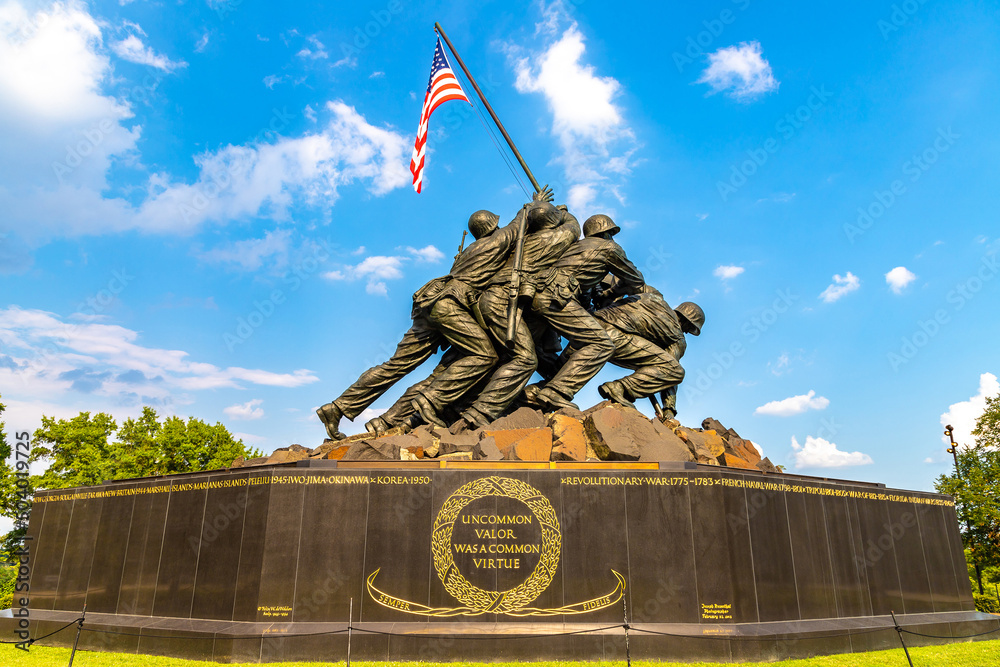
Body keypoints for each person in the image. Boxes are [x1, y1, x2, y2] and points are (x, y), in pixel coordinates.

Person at [316, 191, 552, 439]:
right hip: (449, 306)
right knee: (485, 355)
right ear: (493, 225)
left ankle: (339, 407)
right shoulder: (496, 241)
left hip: (428, 302)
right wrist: (536, 202)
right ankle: (431, 402)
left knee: (396, 365)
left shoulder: (470, 250)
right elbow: (520, 223)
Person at [455, 203, 581, 429]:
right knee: (525, 359)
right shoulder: (552, 239)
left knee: (511, 356)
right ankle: (479, 412)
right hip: (502, 300)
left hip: (493, 299)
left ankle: (470, 404)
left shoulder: (515, 244)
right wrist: (563, 212)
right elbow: (573, 228)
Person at [526, 214, 644, 411]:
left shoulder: (575, 247)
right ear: (606, 233)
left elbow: (584, 295)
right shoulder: (609, 248)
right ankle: (556, 391)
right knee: (602, 344)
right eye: (611, 234)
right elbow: (636, 280)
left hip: (534, 294)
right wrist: (610, 293)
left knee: (527, 353)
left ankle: (523, 396)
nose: (612, 238)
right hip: (556, 296)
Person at [589, 285, 705, 419]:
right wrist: (669, 409)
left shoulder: (654, 296)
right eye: (689, 328)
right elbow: (670, 373)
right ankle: (620, 388)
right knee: (676, 371)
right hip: (614, 339)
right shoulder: (678, 337)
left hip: (591, 323)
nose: (686, 332)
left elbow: (628, 281)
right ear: (687, 322)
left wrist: (605, 294)